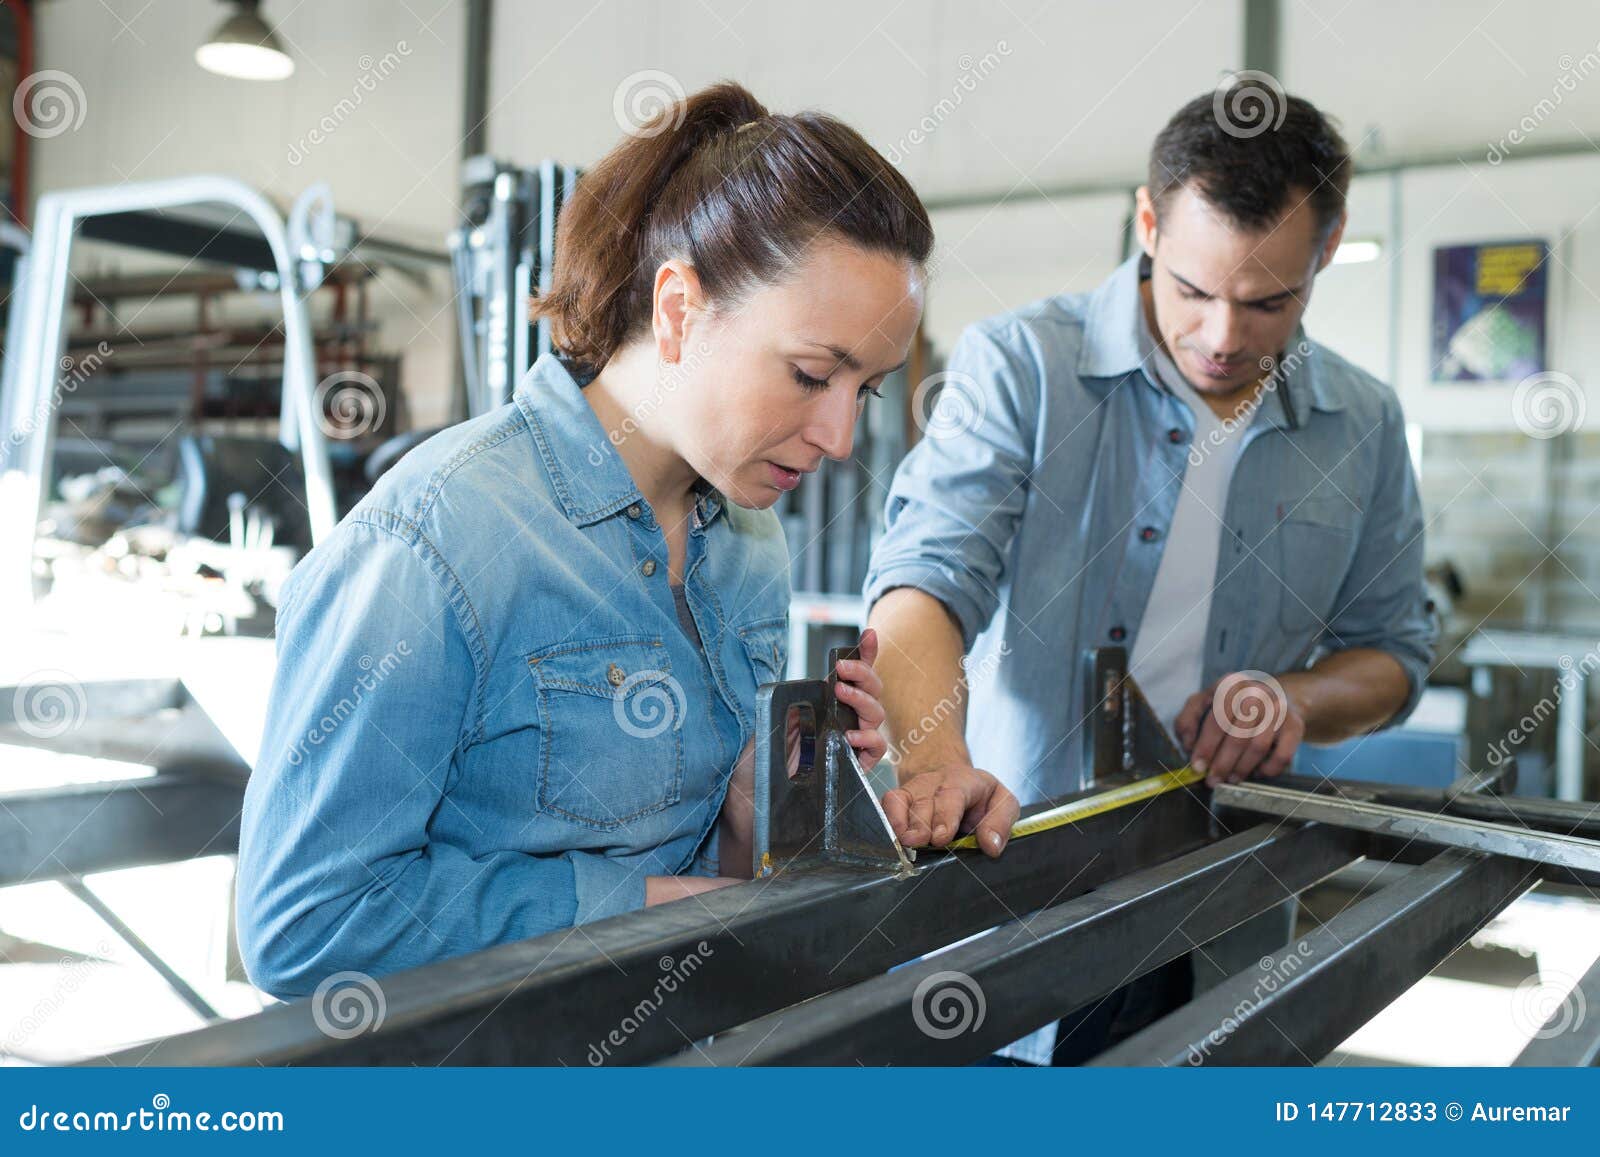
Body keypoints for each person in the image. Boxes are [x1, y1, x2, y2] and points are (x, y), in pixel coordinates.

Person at [237, 82, 934, 999]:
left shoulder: (749, 540)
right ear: (680, 309)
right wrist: (639, 905)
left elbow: (719, 875)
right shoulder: (436, 541)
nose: (840, 437)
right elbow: (305, 920)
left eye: (868, 390)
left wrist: (755, 811)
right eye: (811, 375)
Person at [864, 82, 1436, 1062]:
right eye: (1191, 290)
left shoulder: (1363, 422)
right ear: (1145, 222)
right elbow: (924, 581)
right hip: (1007, 891)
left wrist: (1292, 697)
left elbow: (1393, 653)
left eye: (1267, 301)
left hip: (1223, 903)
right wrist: (932, 760)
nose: (1222, 336)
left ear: (1326, 251)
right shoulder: (1021, 366)